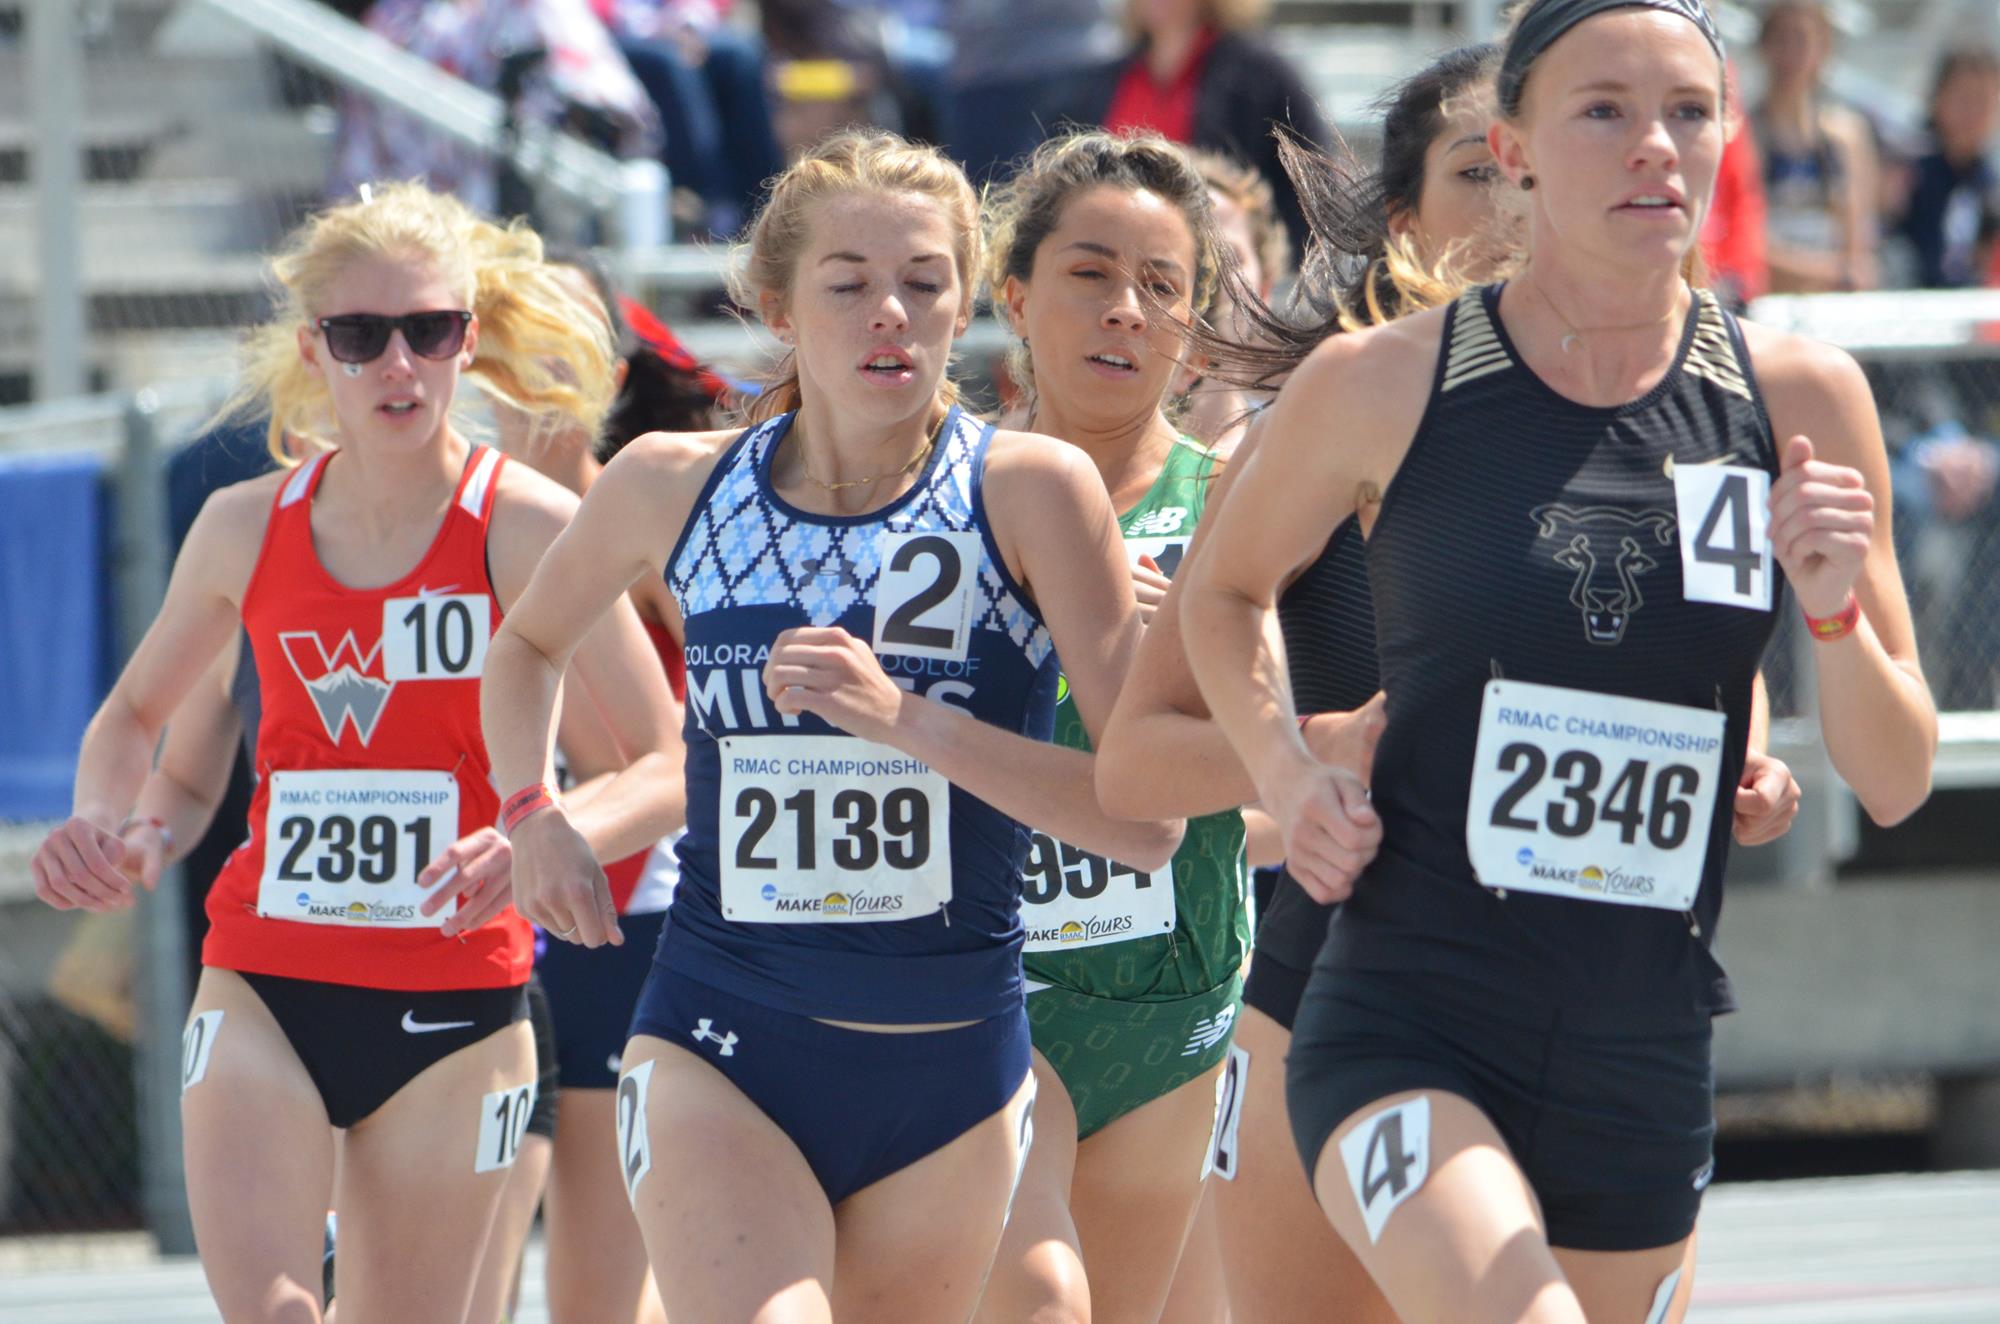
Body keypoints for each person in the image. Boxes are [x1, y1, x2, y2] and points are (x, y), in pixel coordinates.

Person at [1105, 0, 1936, 1318]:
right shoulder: (1381, 383)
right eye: (1604, 110)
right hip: (1402, 1015)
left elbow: (1894, 779)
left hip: (1643, 1046)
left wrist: (1830, 620)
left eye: (1688, 112)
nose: (1654, 145)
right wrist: (1288, 768)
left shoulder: (1800, 399)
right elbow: (1222, 599)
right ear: (1520, 149)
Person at [479, 129, 1182, 1323]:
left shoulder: (1031, 493)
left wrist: (903, 719)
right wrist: (531, 813)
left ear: (968, 307)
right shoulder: (670, 484)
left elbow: (1145, 822)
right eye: (848, 285)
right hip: (722, 1034)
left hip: (950, 1063)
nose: (888, 316)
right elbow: (525, 643)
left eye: (921, 283)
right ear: (776, 306)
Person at [30, 181, 683, 1323]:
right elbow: (142, 727)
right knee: (278, 1310)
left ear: (466, 342)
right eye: (361, 334)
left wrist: (543, 825)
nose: (399, 364)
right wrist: (108, 820)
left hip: (458, 1002)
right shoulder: (243, 523)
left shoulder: (523, 524)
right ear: (313, 349)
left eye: (428, 330)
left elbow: (672, 757)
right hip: (266, 980)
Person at [964, 129, 1248, 1324]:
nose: (1123, 310)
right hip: (975, 987)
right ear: (1016, 295)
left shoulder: (1235, 503)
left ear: (1193, 328)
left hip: (1169, 998)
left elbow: (1289, 740)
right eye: (1088, 273)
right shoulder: (938, 494)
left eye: (1160, 287)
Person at [1092, 0, 1332, 254]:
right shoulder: (1103, 79)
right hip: (1116, 262)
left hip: (1224, 270)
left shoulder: (1265, 78)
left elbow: (1317, 198)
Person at [1751, 0, 1879, 292]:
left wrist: (1841, 270)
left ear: (1823, 49)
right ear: (1763, 46)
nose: (1790, 54)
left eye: (1802, 40)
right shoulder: (1745, 132)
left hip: (1830, 299)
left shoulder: (1845, 135)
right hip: (1767, 296)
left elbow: (1860, 247)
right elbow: (1746, 240)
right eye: (1780, 39)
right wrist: (1825, 270)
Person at [1891, 46, 2000, 289]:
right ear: (1937, 98)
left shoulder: (1986, 180)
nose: (1973, 114)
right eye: (1964, 99)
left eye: (1983, 102)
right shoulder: (1909, 164)